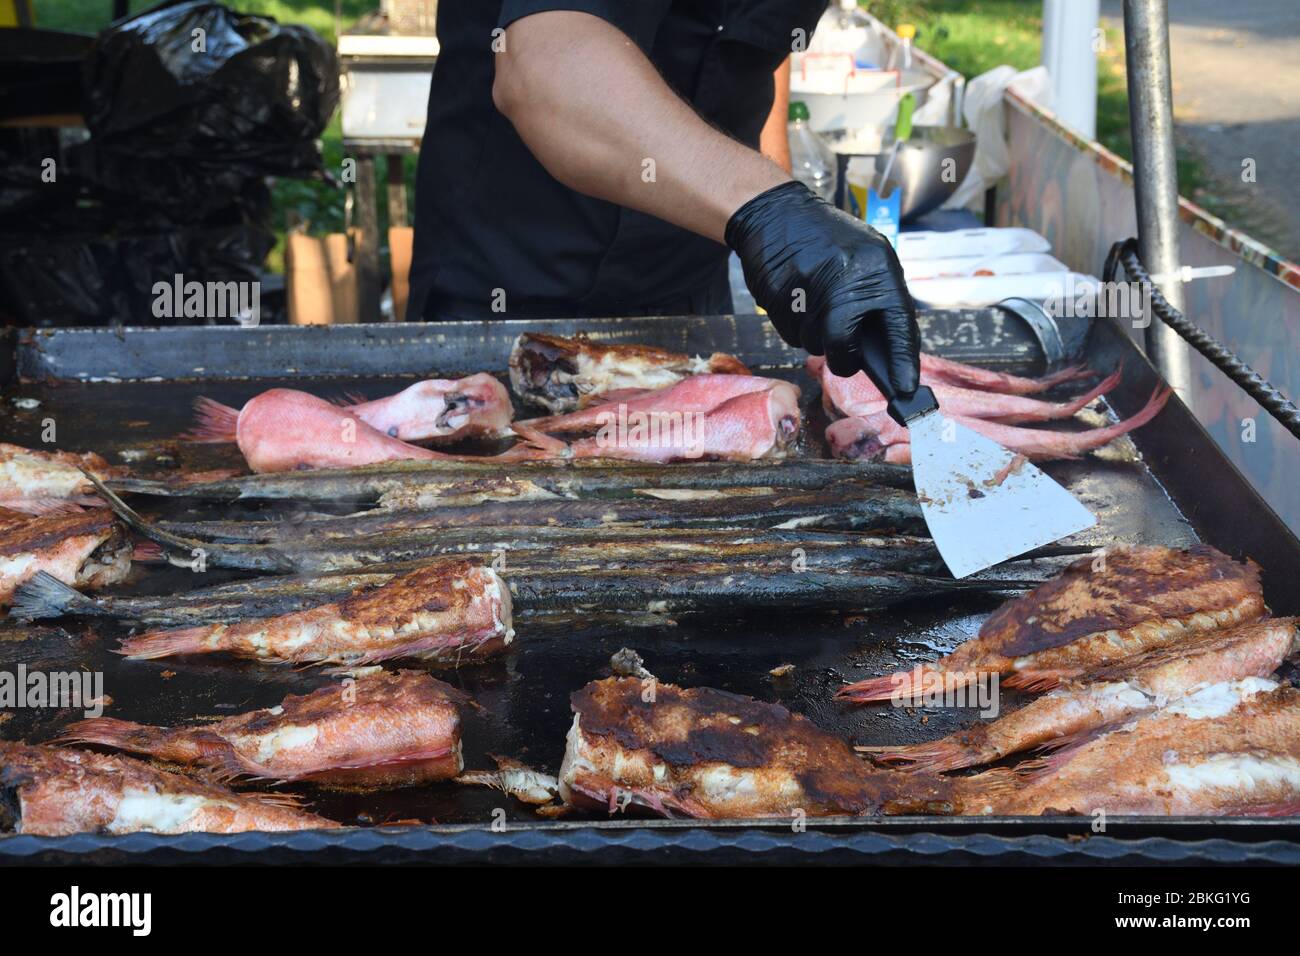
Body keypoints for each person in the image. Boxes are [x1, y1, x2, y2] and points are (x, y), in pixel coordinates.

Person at [410, 1, 920, 396]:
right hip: (509, 287)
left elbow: (758, 52)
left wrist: (793, 224)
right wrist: (768, 205)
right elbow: (543, 62)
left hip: (690, 287)